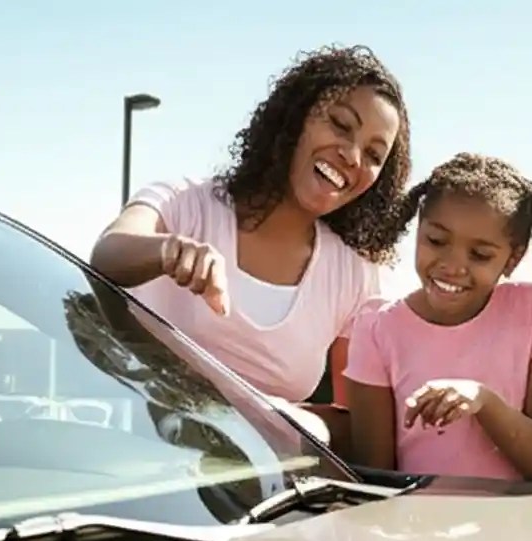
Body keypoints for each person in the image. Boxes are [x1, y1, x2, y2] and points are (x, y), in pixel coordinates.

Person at [90, 45, 411, 431]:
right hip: (150, 467)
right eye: (341, 125)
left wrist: (297, 423)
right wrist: (168, 250)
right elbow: (107, 253)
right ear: (295, 118)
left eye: (375, 155)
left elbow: (353, 423)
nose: (354, 157)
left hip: (263, 486)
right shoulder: (184, 204)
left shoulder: (357, 275)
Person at [344, 152, 532, 483]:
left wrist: (485, 403)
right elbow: (375, 476)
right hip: (415, 527)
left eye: (479, 255)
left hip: (511, 530)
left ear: (512, 258)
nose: (452, 266)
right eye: (436, 240)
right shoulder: (377, 328)